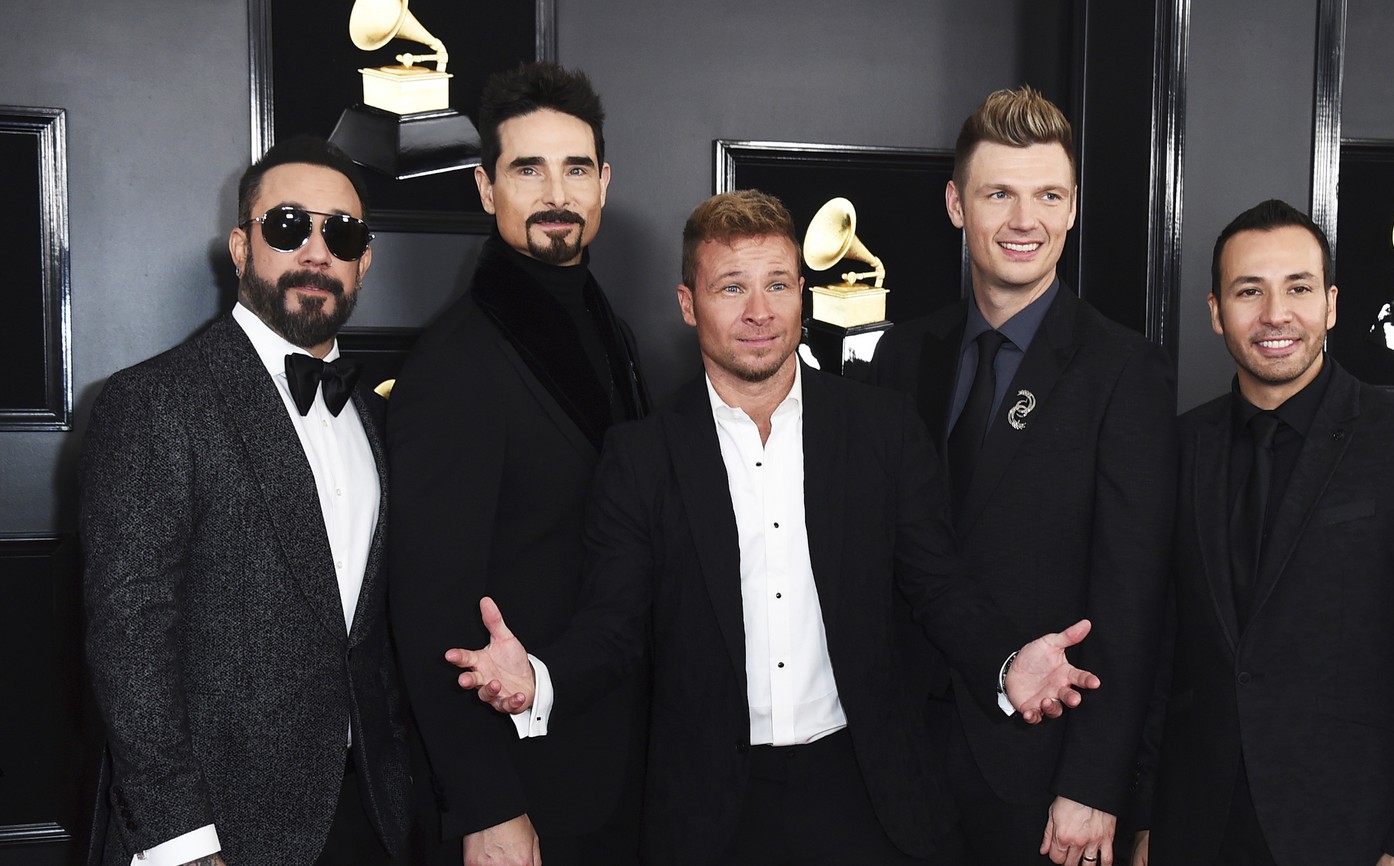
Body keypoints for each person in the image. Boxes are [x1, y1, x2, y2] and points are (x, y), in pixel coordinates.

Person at [448, 189, 1103, 866]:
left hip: (870, 797)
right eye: (732, 287)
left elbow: (939, 587)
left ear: (801, 293)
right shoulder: (640, 456)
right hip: (710, 813)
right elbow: (612, 626)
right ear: (687, 303)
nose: (759, 312)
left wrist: (1005, 664)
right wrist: (540, 680)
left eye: (778, 285)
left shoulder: (881, 430)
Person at [1130, 199, 1394, 866]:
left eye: (1298, 288)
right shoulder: (1179, 448)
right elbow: (1159, 653)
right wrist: (1147, 820)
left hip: (1357, 835)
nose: (1275, 314)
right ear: (1217, 311)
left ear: (1330, 304)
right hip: (1195, 829)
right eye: (1250, 291)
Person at [79, 135, 410, 866]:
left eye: (342, 233)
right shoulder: (156, 401)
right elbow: (129, 637)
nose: (317, 251)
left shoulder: (381, 422)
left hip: (372, 819)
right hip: (214, 833)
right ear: (240, 245)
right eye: (290, 225)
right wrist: (182, 841)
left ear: (365, 260)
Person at [868, 85, 1176, 866]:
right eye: (997, 194)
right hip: (896, 761)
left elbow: (1133, 601)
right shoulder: (899, 358)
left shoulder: (1124, 372)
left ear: (1072, 208)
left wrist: (1097, 785)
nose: (1023, 221)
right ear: (955, 204)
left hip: (1042, 776)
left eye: (1047, 195)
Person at [387, 61, 649, 866]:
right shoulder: (455, 361)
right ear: (484, 187)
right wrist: (486, 804)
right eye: (527, 169)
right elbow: (428, 604)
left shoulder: (614, 331)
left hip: (621, 765)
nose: (556, 194)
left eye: (575, 169)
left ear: (603, 182)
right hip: (526, 788)